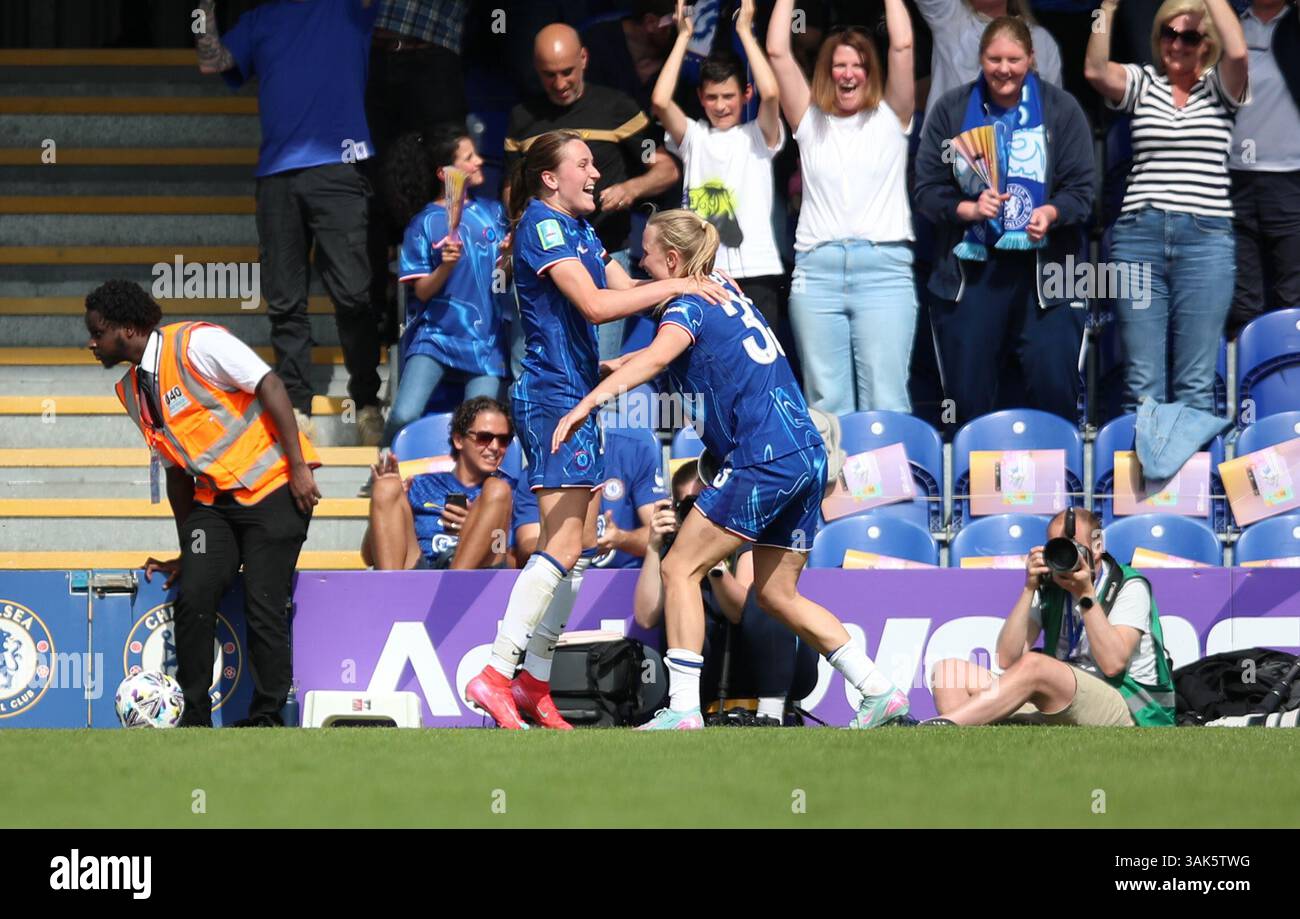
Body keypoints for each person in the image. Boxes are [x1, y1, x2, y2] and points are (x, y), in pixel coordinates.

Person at [554, 209, 911, 730]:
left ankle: (680, 710)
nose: (640, 265)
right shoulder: (720, 285)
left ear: (671, 260)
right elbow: (649, 330)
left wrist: (590, 401)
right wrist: (591, 251)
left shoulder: (687, 306)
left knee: (679, 568)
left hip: (763, 457)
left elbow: (654, 359)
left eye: (646, 256)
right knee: (776, 594)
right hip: (806, 452)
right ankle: (878, 690)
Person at [463, 132, 727, 730]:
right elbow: (597, 307)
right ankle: (497, 672)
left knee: (578, 544)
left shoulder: (580, 229)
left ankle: (533, 679)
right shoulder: (544, 226)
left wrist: (701, 288)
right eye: (582, 163)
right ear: (550, 179)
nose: (594, 172)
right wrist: (682, 286)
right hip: (552, 398)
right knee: (559, 544)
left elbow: (629, 291)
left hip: (577, 391)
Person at [85, 280, 321, 727]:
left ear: (128, 328)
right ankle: (192, 720)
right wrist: (186, 548)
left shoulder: (196, 343)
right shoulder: (131, 392)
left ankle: (268, 719)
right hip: (214, 503)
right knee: (192, 592)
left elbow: (268, 383)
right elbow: (176, 470)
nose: (91, 342)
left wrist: (299, 467)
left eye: (99, 332)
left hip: (274, 486)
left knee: (263, 600)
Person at [196, 0, 385, 445]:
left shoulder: (348, 9)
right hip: (277, 175)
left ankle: (367, 400)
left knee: (355, 295)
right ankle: (297, 405)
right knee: (285, 300)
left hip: (340, 169)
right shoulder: (260, 18)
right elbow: (213, 62)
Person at [914, 18, 1095, 426]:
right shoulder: (952, 109)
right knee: (968, 400)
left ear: (1031, 59)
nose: (1004, 69)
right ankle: (970, 487)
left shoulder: (1061, 110)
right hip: (972, 272)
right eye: (994, 59)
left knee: (1053, 392)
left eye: (1014, 59)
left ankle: (1055, 484)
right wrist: (969, 209)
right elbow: (926, 190)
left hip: (1047, 275)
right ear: (981, 59)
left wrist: (1051, 213)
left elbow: (1083, 192)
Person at [1086, 0, 1250, 414]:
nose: (1177, 44)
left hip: (1205, 241)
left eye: (1189, 36)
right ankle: (1144, 481)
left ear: (1205, 42)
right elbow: (1094, 70)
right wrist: (1107, 7)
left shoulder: (1221, 86)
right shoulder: (1143, 83)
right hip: (1139, 236)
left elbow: (1238, 52)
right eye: (1168, 34)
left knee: (1195, 385)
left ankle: (1192, 480)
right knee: (1142, 384)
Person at [766, 0, 919, 415]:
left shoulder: (892, 116)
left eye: (857, 66)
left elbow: (902, 45)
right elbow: (778, 51)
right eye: (839, 66)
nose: (848, 74)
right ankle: (837, 484)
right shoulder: (809, 120)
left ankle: (884, 484)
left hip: (883, 270)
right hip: (817, 273)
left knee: (886, 401)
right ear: (827, 72)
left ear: (870, 72)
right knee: (826, 404)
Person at [505, 23, 685, 359]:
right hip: (543, 256)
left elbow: (666, 168)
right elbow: (510, 189)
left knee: (597, 363)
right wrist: (521, 227)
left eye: (567, 72)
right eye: (549, 75)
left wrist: (632, 187)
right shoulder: (523, 118)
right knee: (533, 358)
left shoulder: (616, 108)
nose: (559, 84)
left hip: (603, 248)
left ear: (584, 59)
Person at [928, 508, 1176, 726]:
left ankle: (945, 725)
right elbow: (1007, 657)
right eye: (1057, 548)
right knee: (948, 672)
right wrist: (1029, 588)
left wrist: (1086, 595)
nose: (1065, 556)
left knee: (1037, 665)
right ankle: (965, 753)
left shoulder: (1128, 585)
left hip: (1129, 707)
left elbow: (1113, 664)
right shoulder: (1051, 585)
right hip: (1062, 695)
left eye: (1073, 547)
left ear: (1098, 546)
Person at [634, 460, 821, 725]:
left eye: (704, 502)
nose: (698, 513)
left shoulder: (746, 533)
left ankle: (770, 713)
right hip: (708, 668)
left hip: (763, 659)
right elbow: (645, 616)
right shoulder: (674, 547)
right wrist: (653, 548)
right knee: (677, 608)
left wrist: (713, 565)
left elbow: (744, 611)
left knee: (763, 591)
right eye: (689, 505)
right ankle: (686, 707)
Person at [653, 0, 787, 330]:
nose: (721, 105)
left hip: (756, 273)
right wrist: (683, 35)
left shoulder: (759, 135)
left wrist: (745, 31)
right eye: (712, 98)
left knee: (758, 370)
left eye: (728, 96)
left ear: (746, 94)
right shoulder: (694, 137)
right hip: (700, 274)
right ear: (700, 97)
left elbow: (771, 95)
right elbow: (659, 101)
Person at [379, 127, 509, 457]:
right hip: (435, 337)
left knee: (481, 427)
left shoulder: (493, 214)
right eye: (469, 158)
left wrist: (510, 253)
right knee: (405, 414)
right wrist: (446, 266)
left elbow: (502, 277)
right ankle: (385, 468)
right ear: (445, 173)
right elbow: (421, 292)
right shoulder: (423, 224)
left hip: (485, 343)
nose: (479, 161)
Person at [363, 0, 472, 344]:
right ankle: (377, 310)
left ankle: (446, 305)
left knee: (446, 174)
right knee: (372, 185)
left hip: (433, 58)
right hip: (377, 56)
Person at [362, 397, 515, 571]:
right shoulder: (421, 485)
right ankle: (390, 594)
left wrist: (478, 531)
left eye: (503, 440)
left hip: (476, 579)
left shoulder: (510, 492)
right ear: (458, 440)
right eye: (484, 438)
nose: (495, 447)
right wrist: (382, 501)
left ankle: (451, 588)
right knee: (386, 487)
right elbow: (368, 557)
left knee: (497, 489)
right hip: (420, 573)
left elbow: (513, 560)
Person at [1228, 0, 1300, 337]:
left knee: (1293, 297)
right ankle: (1244, 382)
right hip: (1233, 177)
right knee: (1243, 303)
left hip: (1290, 177)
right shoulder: (1229, 26)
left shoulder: (1294, 25)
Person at [513, 424, 667, 571]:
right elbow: (526, 548)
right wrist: (571, 542)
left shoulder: (634, 452)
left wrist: (621, 539)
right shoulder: (537, 473)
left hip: (626, 578)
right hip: (561, 579)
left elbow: (661, 534)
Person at [914, 0, 1062, 107]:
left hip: (1022, 145)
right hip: (952, 145)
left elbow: (1053, 113)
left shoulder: (1042, 41)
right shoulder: (950, 19)